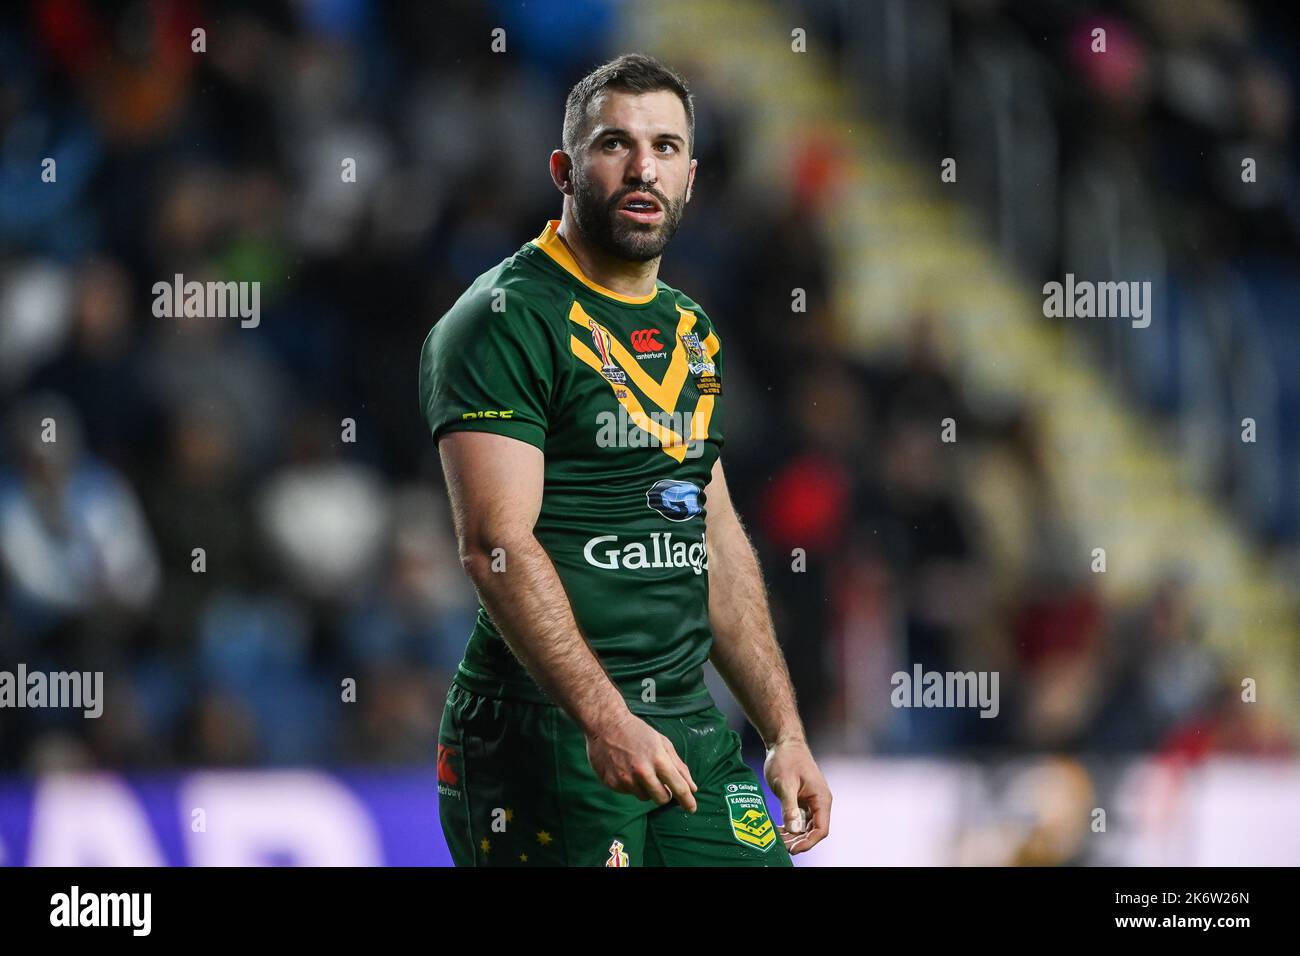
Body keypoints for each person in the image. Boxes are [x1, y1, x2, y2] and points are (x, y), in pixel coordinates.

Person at [418, 53, 830, 866]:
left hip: (685, 718)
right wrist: (603, 719)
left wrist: (783, 730)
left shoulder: (690, 331)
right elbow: (493, 546)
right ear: (563, 171)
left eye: (667, 148)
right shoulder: (502, 319)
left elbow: (712, 536)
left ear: (692, 176)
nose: (644, 167)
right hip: (543, 730)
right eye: (616, 144)